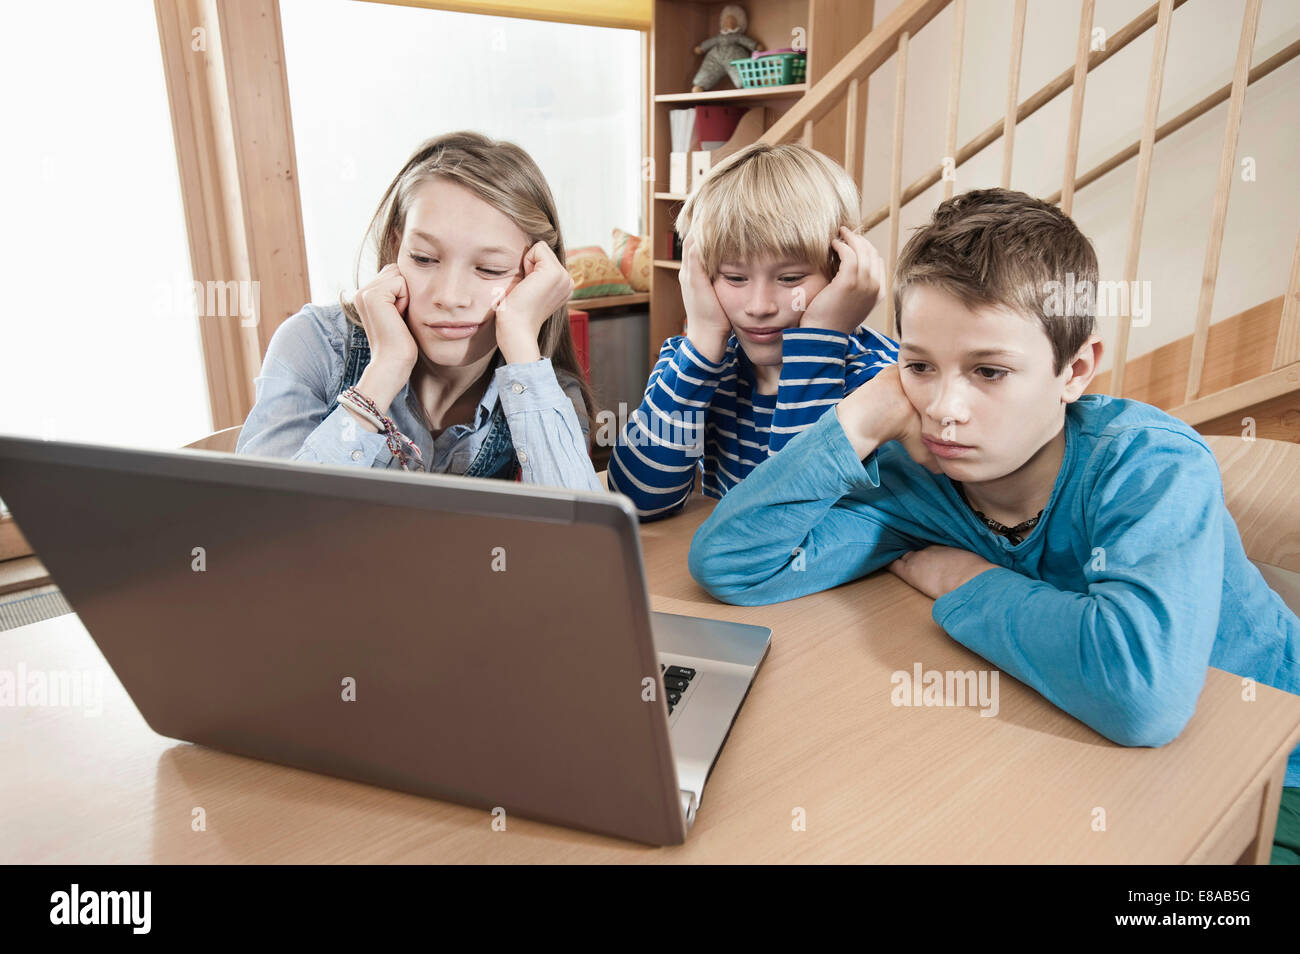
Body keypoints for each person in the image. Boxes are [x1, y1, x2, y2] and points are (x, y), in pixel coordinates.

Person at [687, 188, 1300, 862]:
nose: (945, 409)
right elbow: (734, 563)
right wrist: (864, 416)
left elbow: (1140, 693)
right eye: (920, 366)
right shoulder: (922, 481)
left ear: (1076, 371)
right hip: (1111, 777)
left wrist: (965, 579)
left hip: (1276, 769)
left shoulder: (1150, 463)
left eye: (989, 371)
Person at [236, 131, 601, 492]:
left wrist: (522, 345)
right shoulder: (314, 345)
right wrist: (385, 370)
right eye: (424, 259)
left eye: (489, 269)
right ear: (397, 246)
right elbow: (262, 524)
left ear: (537, 274)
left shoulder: (544, 391)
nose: (449, 296)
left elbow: (582, 543)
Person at [606, 141, 898, 520]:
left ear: (843, 267)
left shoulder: (879, 379)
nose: (759, 306)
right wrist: (704, 338)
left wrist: (821, 338)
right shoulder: (696, 361)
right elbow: (637, 501)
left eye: (790, 277)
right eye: (734, 277)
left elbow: (786, 521)